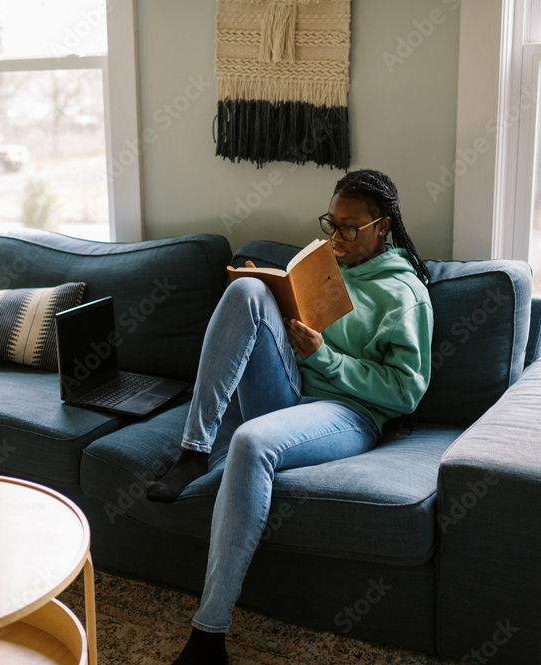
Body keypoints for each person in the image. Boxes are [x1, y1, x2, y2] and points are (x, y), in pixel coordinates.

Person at [145, 169, 435, 665]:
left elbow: (405, 392)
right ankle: (194, 450)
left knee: (252, 443)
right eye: (331, 223)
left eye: (349, 227)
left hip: (350, 413)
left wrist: (324, 357)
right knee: (245, 293)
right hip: (289, 389)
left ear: (382, 227)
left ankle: (209, 637)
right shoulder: (322, 263)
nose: (335, 237)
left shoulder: (404, 295)